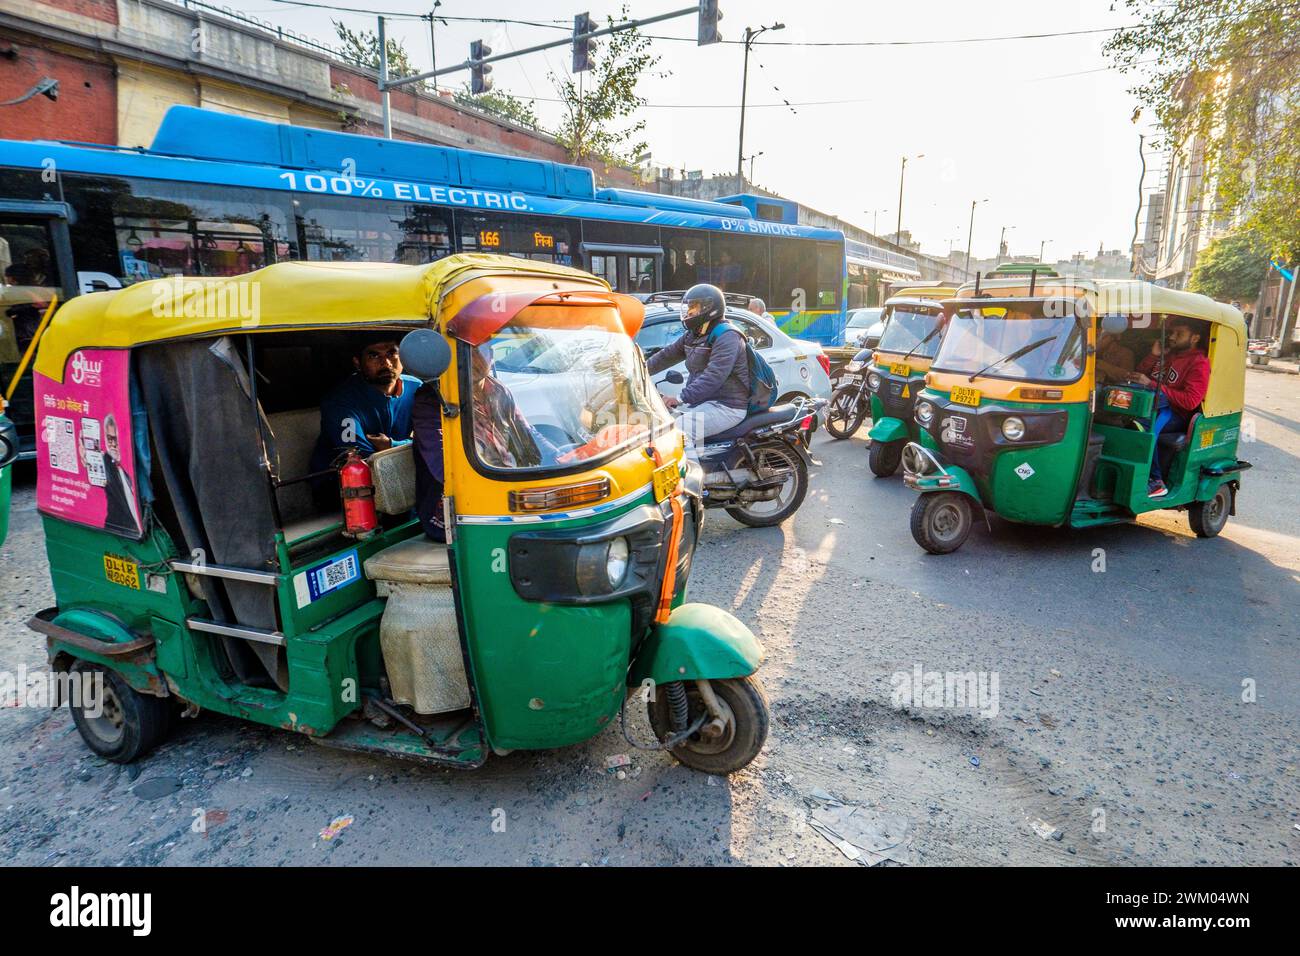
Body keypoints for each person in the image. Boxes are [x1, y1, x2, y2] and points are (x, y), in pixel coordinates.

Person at [646, 283, 749, 446]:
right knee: (659, 424)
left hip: (726, 406)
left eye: (693, 306)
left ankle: (690, 472)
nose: (689, 312)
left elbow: (713, 376)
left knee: (678, 434)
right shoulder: (694, 335)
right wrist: (639, 370)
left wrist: (679, 398)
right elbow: (666, 356)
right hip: (703, 403)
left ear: (709, 308)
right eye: (688, 307)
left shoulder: (728, 336)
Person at [311, 336, 421, 476]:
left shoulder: (417, 388)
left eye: (392, 353)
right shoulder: (340, 400)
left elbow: (436, 440)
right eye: (374, 355)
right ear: (358, 363)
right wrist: (412, 447)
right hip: (342, 481)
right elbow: (358, 458)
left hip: (402, 473)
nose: (386, 362)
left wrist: (391, 445)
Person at [1131, 317, 1211, 498]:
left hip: (1175, 414)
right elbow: (1140, 374)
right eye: (1172, 333)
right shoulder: (1170, 355)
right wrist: (1154, 355)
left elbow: (1191, 401)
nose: (1173, 337)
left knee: (1142, 426)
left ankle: (1156, 481)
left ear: (1195, 338)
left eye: (1179, 333)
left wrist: (1152, 385)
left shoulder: (1199, 362)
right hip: (1153, 406)